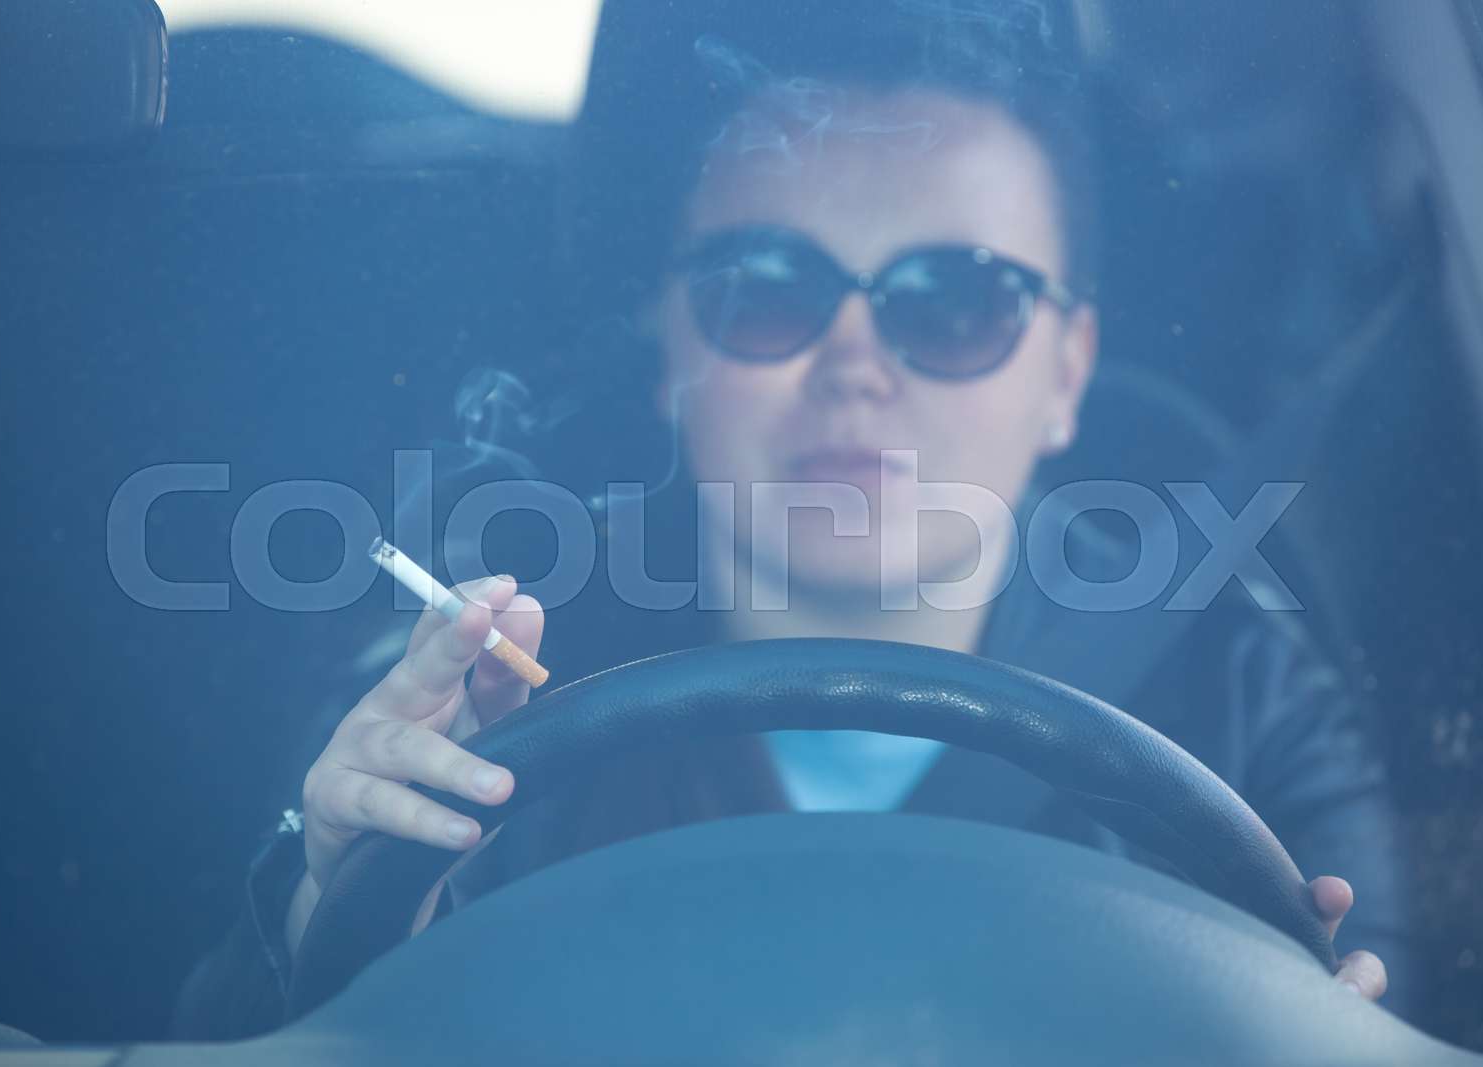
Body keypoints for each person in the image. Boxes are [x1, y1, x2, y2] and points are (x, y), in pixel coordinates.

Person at [173, 0, 1418, 1038]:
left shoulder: (1235, 685)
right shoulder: (477, 691)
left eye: (953, 299)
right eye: (768, 289)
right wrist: (331, 919)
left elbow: (1380, 1006)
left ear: (1068, 369)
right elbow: (241, 1035)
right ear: (669, 345)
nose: (853, 361)